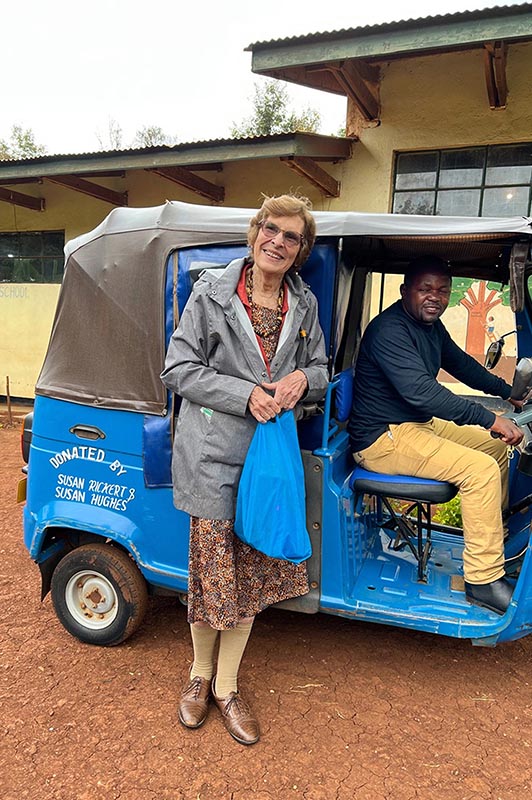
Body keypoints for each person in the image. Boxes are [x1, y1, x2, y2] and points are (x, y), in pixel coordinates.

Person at [161, 194, 328, 745]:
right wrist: (244, 394)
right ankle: (198, 678)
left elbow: (321, 368)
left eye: (292, 237)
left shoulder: (302, 304)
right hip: (211, 455)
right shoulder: (210, 293)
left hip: (271, 460)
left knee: (250, 575)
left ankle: (227, 688)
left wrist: (305, 380)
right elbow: (178, 368)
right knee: (212, 575)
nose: (278, 242)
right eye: (271, 230)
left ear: (301, 250)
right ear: (254, 232)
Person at [348, 255, 523, 615]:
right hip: (382, 438)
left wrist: (508, 392)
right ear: (405, 291)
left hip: (414, 425)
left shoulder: (431, 328)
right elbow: (423, 393)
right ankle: (483, 580)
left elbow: (460, 364)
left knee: (495, 449)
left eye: (442, 290)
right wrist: (489, 417)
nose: (435, 297)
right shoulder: (389, 331)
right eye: (425, 289)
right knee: (480, 470)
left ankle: (495, 544)